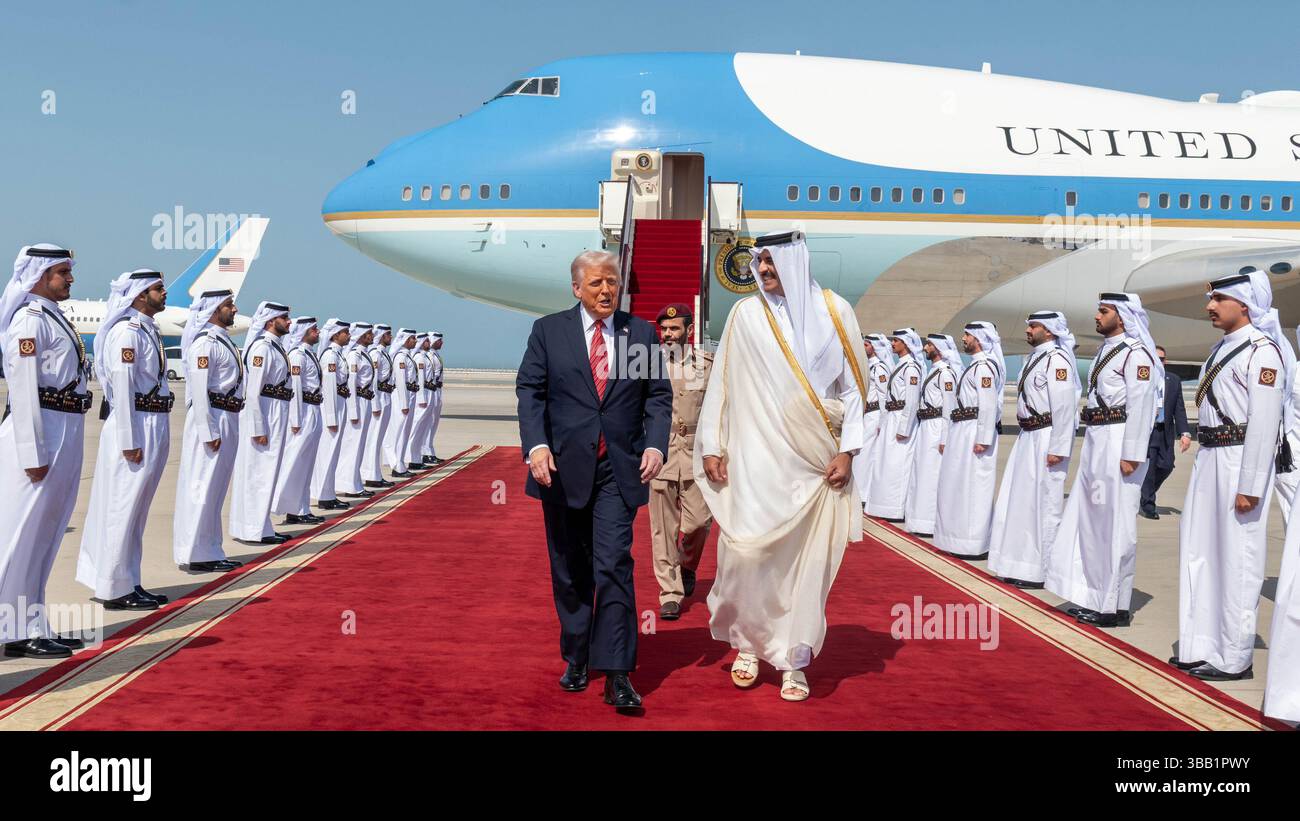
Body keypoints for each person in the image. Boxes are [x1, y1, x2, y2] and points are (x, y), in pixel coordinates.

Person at [696, 231, 866, 703]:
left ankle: (794, 659)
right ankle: (748, 645)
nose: (763, 270)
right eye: (760, 262)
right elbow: (723, 385)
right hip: (752, 460)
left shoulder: (836, 313)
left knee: (803, 566)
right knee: (746, 555)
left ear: (795, 263)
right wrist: (712, 443)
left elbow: (854, 392)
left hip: (814, 465)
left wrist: (848, 452)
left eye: (771, 263)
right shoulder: (745, 315)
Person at [516, 249, 670, 711]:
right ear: (577, 288)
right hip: (561, 470)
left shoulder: (639, 333)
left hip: (616, 470)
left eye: (613, 283)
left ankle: (618, 672)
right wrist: (536, 445)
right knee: (570, 570)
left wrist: (655, 444)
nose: (607, 291)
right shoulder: (549, 331)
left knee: (614, 566)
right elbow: (530, 391)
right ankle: (578, 654)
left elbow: (657, 397)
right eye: (597, 283)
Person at [1172, 269, 1289, 681]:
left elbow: (1264, 423)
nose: (1209, 307)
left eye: (1217, 300)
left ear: (1243, 304)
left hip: (1239, 462)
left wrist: (1251, 485)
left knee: (1238, 560)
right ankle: (1202, 645)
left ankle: (1235, 657)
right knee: (1201, 552)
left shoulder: (1262, 352)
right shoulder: (1220, 349)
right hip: (1210, 458)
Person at [1045, 293, 1159, 627]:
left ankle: (1113, 605)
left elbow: (1141, 405)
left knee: (1116, 524)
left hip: (1119, 441)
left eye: (1104, 310)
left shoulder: (1136, 354)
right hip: (1098, 438)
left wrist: (1133, 454)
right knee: (1094, 522)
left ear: (1122, 317)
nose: (1097, 315)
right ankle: (1096, 597)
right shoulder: (1106, 350)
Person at [0, 244, 91, 658]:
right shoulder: (29, 320)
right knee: (23, 535)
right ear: (38, 274)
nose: (70, 278)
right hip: (41, 433)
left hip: (65, 427)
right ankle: (15, 628)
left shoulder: (53, 317)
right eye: (62, 272)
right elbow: (22, 390)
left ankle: (29, 625)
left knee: (45, 536)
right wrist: (32, 452)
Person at [76, 270, 173, 610]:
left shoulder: (146, 329)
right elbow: (122, 387)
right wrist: (129, 439)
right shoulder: (127, 332)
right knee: (122, 506)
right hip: (134, 424)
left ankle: (128, 580)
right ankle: (114, 587)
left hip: (153, 420)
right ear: (139, 295)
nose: (164, 293)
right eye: (158, 288)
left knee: (136, 510)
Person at [987, 311, 1081, 587]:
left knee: (1044, 504)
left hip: (1046, 437)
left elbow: (1064, 406)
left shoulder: (1057, 359)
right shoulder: (1037, 358)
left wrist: (1059, 447)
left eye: (1034, 326)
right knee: (1021, 503)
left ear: (1050, 331)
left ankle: (1042, 570)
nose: (1028, 330)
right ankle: (1020, 565)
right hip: (1029, 436)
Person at [648, 303, 713, 620]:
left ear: (689, 331)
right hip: (660, 453)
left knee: (698, 523)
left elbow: (718, 411)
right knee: (662, 529)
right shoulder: (649, 365)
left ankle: (687, 564)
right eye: (664, 329)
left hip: (694, 454)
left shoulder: (706, 364)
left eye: (674, 329)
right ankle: (670, 593)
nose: (668, 334)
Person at [172, 289, 245, 573]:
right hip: (212, 416)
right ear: (215, 309)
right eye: (229, 305)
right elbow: (199, 392)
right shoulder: (205, 344)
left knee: (214, 490)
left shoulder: (221, 341)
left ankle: (210, 549)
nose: (235, 309)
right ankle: (197, 553)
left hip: (226, 415)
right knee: (202, 486)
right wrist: (208, 430)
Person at [932, 321, 1005, 557]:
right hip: (963, 431)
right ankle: (957, 540)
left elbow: (988, 404)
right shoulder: (973, 367)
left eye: (967, 335)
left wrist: (983, 438)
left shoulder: (984, 367)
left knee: (975, 487)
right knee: (958, 486)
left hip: (975, 432)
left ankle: (974, 544)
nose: (963, 339)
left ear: (979, 339)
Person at [229, 301, 294, 544]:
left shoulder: (275, 347)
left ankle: (261, 526)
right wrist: (257, 427)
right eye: (284, 318)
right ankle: (253, 529)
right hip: (265, 412)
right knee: (258, 472)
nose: (289, 322)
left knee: (267, 472)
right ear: (270, 321)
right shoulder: (262, 348)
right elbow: (253, 391)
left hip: (276, 410)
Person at [270, 317, 326, 526]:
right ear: (304, 332)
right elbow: (295, 388)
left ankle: (301, 507)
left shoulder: (309, 354)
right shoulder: (297, 356)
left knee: (306, 463)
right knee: (296, 461)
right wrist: (296, 419)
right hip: (303, 412)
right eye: (313, 329)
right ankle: (292, 508)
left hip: (314, 409)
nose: (318, 332)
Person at [903, 333, 960, 536]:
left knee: (931, 474)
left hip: (937, 429)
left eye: (929, 345)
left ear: (938, 348)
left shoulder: (945, 374)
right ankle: (918, 520)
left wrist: (945, 438)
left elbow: (949, 408)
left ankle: (928, 522)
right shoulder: (933, 372)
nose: (925, 348)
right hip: (926, 427)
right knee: (921, 474)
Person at [865, 328, 924, 521]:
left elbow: (912, 400)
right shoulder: (901, 366)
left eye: (896, 341)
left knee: (898, 465)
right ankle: (882, 506)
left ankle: (894, 509)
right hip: (891, 417)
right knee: (886, 464)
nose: (892, 344)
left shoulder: (911, 368)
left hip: (901, 419)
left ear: (905, 344)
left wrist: (904, 428)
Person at [1139, 345, 1191, 519]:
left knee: (1167, 466)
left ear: (1165, 361)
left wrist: (1185, 433)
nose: (1158, 361)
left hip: (1165, 431)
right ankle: (1148, 505)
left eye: (1161, 359)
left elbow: (1179, 409)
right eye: (1155, 358)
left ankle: (1143, 493)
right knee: (1150, 467)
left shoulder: (1173, 380)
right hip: (1148, 430)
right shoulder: (1143, 377)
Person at [311, 318, 351, 511]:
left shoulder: (338, 354)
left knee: (332, 452)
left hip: (340, 404)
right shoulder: (330, 357)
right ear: (336, 335)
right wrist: (331, 417)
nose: (349, 336)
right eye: (346, 332)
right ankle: (325, 496)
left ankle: (328, 493)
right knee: (328, 452)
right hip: (333, 407)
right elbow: (328, 388)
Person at [336, 322, 377, 498]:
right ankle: (349, 486)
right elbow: (351, 384)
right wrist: (353, 411)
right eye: (369, 334)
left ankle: (355, 482)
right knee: (353, 445)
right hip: (358, 401)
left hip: (365, 400)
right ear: (362, 335)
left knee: (359, 444)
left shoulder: (363, 354)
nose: (372, 336)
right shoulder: (354, 356)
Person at [852, 333, 892, 509]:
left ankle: (864, 493)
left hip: (875, 415)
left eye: (867, 345)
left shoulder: (880, 369)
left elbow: (884, 397)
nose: (864, 347)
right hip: (866, 414)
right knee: (862, 454)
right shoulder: (868, 366)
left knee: (867, 454)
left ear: (874, 348)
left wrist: (882, 422)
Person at [362, 324, 395, 490]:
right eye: (388, 334)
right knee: (374, 439)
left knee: (378, 438)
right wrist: (375, 403)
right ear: (382, 335)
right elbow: (373, 380)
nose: (391, 337)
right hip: (379, 397)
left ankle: (375, 473)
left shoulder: (382, 353)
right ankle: (371, 475)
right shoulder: (375, 354)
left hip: (385, 396)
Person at [383, 328, 419, 476]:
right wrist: (404, 403)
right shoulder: (400, 358)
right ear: (405, 340)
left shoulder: (407, 356)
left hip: (408, 395)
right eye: (412, 338)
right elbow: (400, 381)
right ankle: (396, 465)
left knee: (404, 431)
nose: (415, 341)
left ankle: (400, 463)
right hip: (401, 397)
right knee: (399, 431)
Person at [421, 331, 446, 466]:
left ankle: (429, 450)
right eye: (439, 341)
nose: (441, 343)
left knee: (433, 423)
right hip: (431, 389)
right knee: (428, 423)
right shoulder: (429, 355)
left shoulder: (435, 355)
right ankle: (425, 452)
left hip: (437, 390)